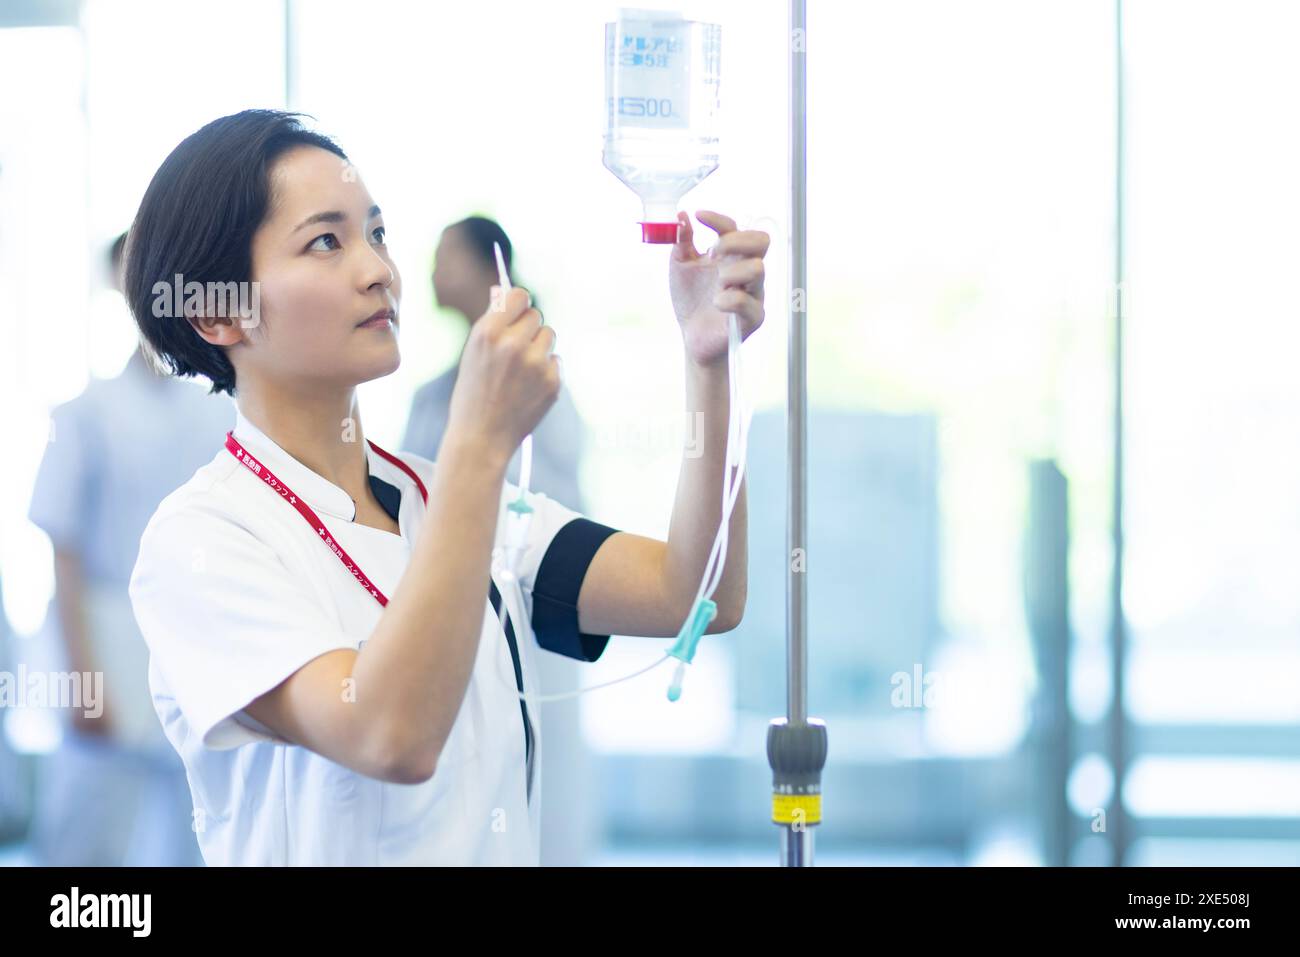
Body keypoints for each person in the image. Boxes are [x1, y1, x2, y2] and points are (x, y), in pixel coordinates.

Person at [125, 109, 766, 866]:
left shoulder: (452, 497)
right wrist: (480, 443)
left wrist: (708, 362)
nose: (378, 271)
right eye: (325, 241)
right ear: (217, 312)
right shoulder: (202, 540)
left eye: (377, 233)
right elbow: (389, 734)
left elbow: (697, 596)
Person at [25, 232, 233, 866]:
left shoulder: (217, 410)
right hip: (106, 632)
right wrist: (83, 678)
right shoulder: (84, 411)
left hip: (192, 638)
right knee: (90, 838)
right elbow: (65, 554)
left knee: (191, 831)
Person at [405, 216, 587, 511]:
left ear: (491, 268)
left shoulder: (538, 379)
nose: (433, 274)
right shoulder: (431, 395)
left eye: (446, 258)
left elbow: (553, 492)